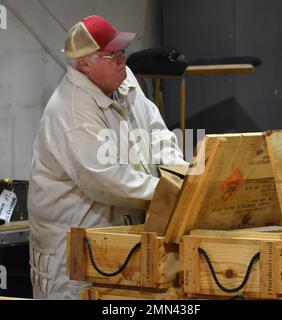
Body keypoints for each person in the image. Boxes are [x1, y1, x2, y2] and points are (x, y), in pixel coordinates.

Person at [27, 15, 187, 300]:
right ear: (84, 64)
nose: (121, 59)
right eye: (111, 54)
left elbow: (158, 134)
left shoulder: (126, 82)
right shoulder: (71, 111)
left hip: (118, 243)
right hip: (72, 256)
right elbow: (105, 178)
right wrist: (170, 192)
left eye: (122, 51)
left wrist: (180, 176)